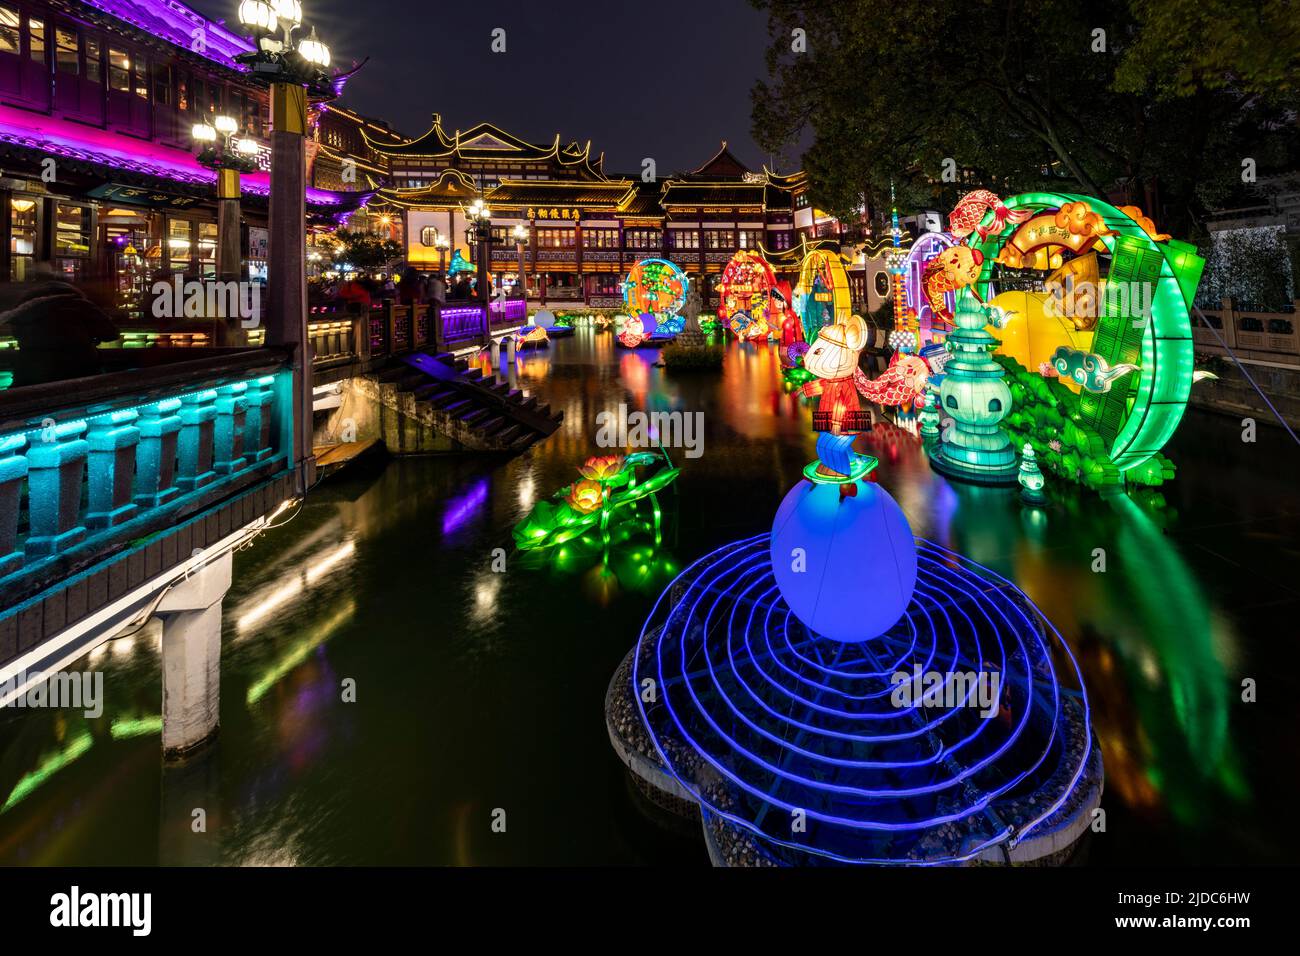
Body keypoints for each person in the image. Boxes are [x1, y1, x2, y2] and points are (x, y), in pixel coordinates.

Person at [0, 272, 120, 386]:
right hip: (80, 366)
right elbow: (111, 334)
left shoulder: (23, 309)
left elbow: (16, 333)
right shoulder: (81, 305)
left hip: (32, 370)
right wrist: (92, 338)